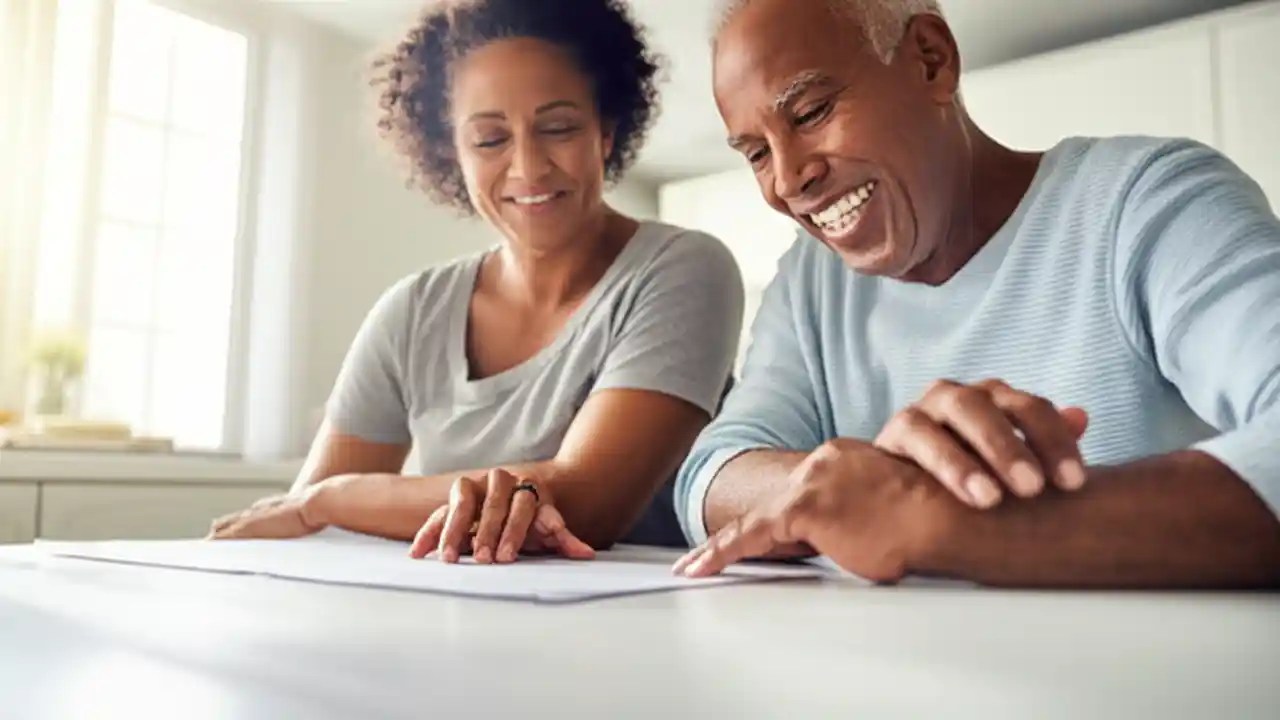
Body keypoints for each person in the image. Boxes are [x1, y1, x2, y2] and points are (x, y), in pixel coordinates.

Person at [673, 0, 1280, 587]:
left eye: (810, 113)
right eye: (756, 153)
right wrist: (850, 487)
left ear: (932, 61)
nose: (787, 178)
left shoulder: (1149, 203)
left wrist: (938, 520)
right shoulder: (812, 281)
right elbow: (709, 477)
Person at [209, 0, 745, 564]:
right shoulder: (412, 312)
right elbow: (304, 522)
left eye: (558, 127)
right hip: (458, 625)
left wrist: (337, 498)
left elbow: (587, 502)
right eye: (490, 140)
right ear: (452, 154)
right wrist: (322, 505)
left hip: (637, 627)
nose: (529, 167)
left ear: (605, 132)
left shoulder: (683, 269)